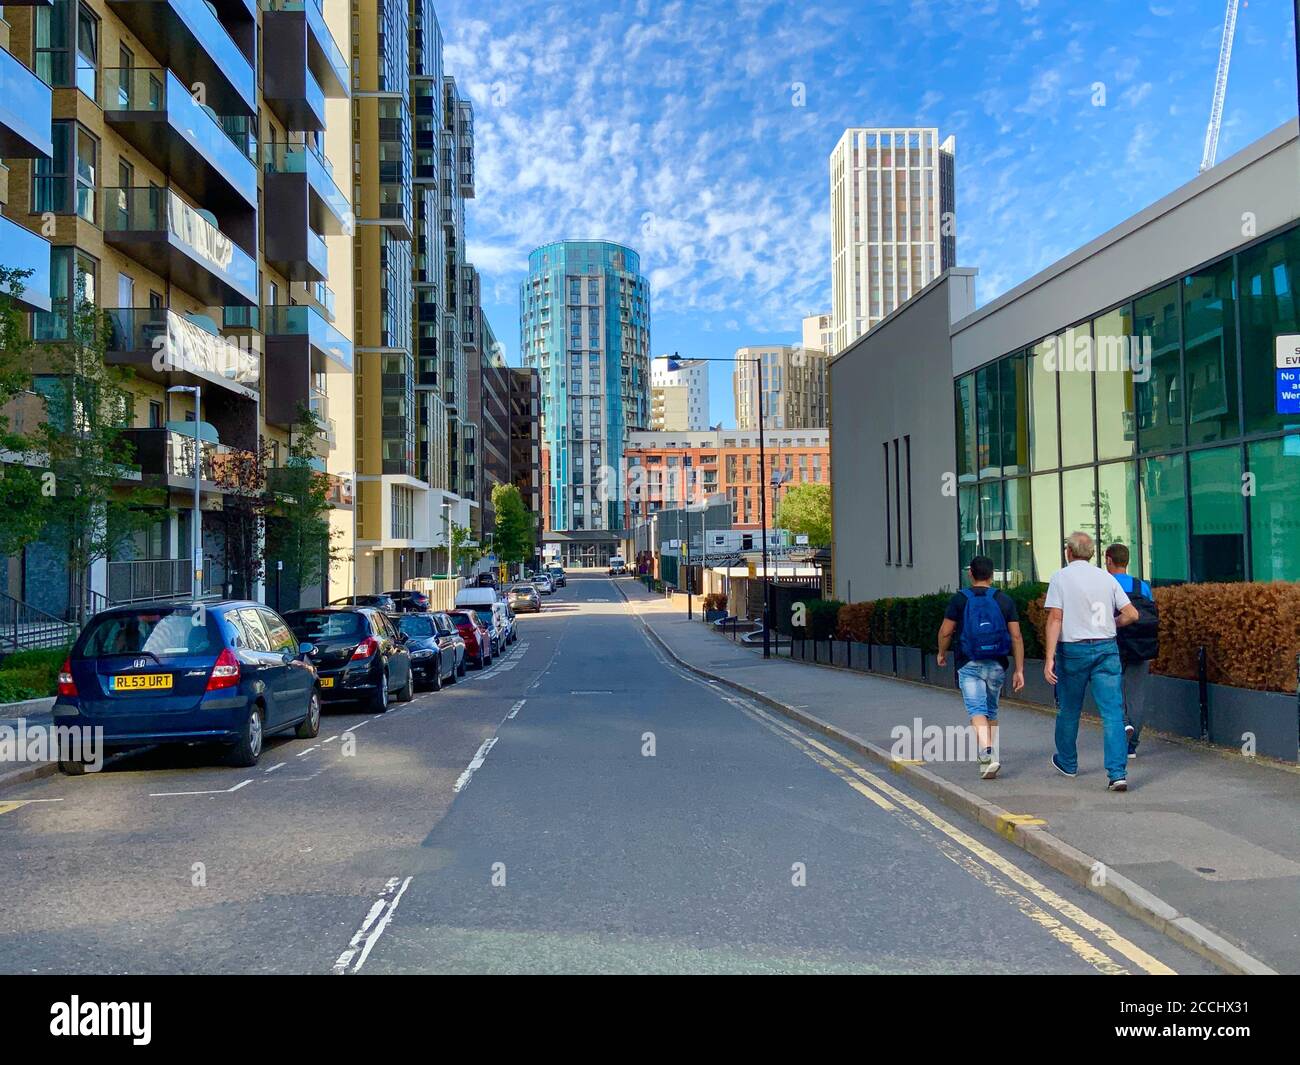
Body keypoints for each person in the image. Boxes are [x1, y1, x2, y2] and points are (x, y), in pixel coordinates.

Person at [1044, 531, 1139, 791]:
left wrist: (1049, 657)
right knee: (1112, 713)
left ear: (1068, 552)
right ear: (1092, 554)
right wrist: (1114, 623)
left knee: (1069, 709)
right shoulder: (1106, 578)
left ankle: (1068, 762)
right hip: (1107, 648)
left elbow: (1055, 618)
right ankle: (1117, 774)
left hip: (1072, 650)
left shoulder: (1060, 578)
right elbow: (1131, 613)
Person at [936, 555, 1025, 780]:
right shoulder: (1004, 599)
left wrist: (941, 652)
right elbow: (1016, 636)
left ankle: (987, 753)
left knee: (977, 711)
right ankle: (989, 758)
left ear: (970, 574)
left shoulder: (960, 600)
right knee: (991, 711)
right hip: (996, 663)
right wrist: (1019, 669)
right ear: (992, 575)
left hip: (969, 663)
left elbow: (946, 631)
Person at [1103, 543, 1157, 759]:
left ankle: (1124, 725)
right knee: (1137, 695)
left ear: (1109, 560)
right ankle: (1132, 745)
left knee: (1112, 691)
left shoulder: (1105, 583)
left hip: (1112, 644)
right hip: (1139, 645)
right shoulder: (1141, 586)